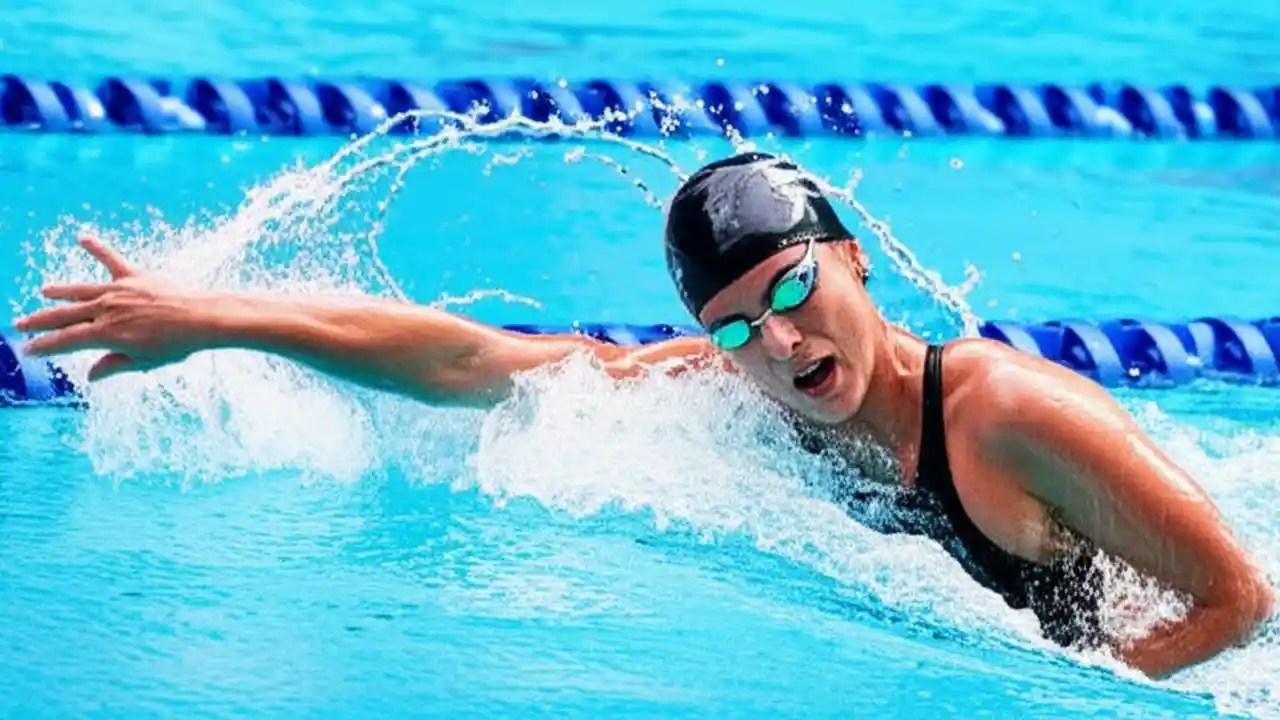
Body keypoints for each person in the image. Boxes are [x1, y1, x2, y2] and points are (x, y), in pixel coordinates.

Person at [14, 151, 1273, 678]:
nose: (776, 343)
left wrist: (1082, 693)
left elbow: (1238, 601)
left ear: (854, 263)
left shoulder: (1005, 413)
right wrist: (217, 317)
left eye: (791, 290)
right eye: (735, 326)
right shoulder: (725, 393)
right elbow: (473, 366)